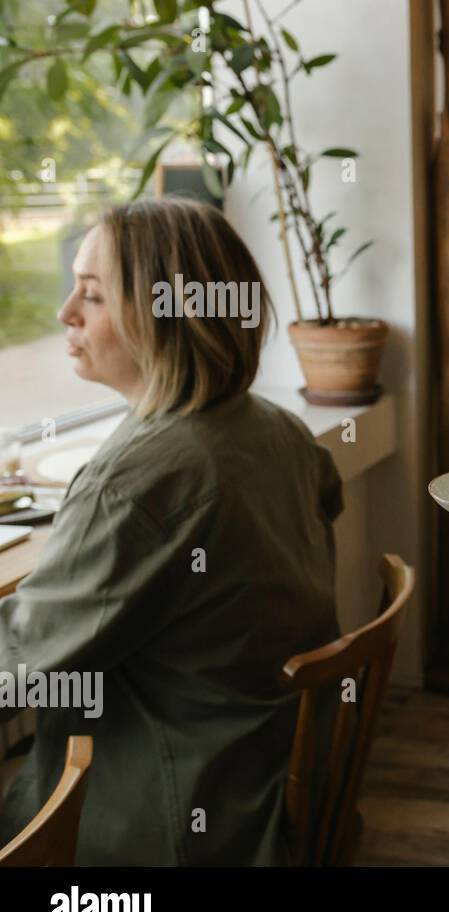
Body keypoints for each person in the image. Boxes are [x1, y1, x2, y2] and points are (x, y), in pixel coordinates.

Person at [0, 197, 343, 864]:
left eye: (93, 297)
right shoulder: (277, 429)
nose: (65, 313)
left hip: (175, 823)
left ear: (170, 313)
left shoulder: (137, 484)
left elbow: (17, 666)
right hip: (261, 780)